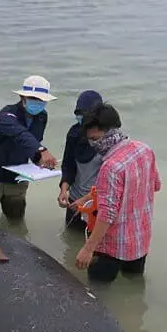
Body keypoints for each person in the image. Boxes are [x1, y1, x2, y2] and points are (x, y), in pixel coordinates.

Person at [73, 103, 161, 282]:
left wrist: (88, 249)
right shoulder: (144, 149)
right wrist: (89, 196)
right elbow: (155, 185)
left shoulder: (110, 167)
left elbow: (107, 214)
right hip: (139, 240)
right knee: (134, 287)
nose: (93, 144)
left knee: (98, 292)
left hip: (111, 246)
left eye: (95, 138)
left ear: (108, 131)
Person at [0, 75, 58, 221]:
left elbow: (33, 141)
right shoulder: (7, 114)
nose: (38, 103)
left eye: (41, 100)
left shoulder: (42, 116)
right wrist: (42, 150)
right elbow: (20, 134)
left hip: (18, 177)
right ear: (22, 97)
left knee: (15, 219)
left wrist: (38, 160)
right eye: (33, 98)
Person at [57, 89, 103, 230]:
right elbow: (68, 165)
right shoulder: (74, 134)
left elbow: (108, 182)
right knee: (71, 240)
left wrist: (87, 199)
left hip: (98, 202)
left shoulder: (106, 139)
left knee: (95, 244)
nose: (81, 118)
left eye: (85, 115)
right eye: (79, 114)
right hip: (75, 200)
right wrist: (64, 190)